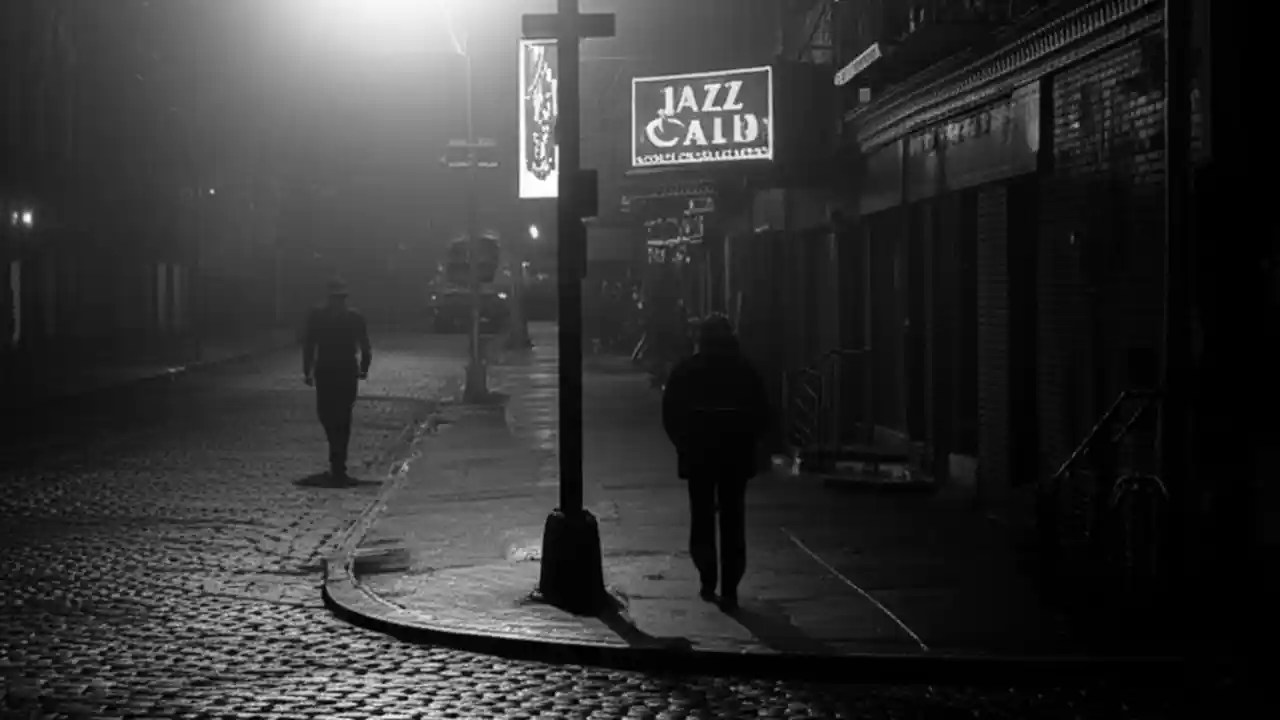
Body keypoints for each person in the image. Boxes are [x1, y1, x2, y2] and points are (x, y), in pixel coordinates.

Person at [661, 313, 772, 613]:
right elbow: (762, 412)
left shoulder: (686, 371)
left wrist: (684, 444)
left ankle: (707, 578)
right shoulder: (745, 371)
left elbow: (670, 413)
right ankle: (730, 587)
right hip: (735, 456)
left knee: (702, 517)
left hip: (698, 456)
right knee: (733, 520)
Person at [303, 278, 372, 481]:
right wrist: (307, 370)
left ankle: (338, 462)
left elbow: (365, 345)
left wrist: (364, 367)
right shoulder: (319, 317)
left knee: (341, 416)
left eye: (340, 299)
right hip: (331, 370)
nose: (338, 302)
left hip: (339, 370)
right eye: (336, 298)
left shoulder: (351, 318)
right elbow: (309, 345)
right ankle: (337, 459)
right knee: (328, 414)